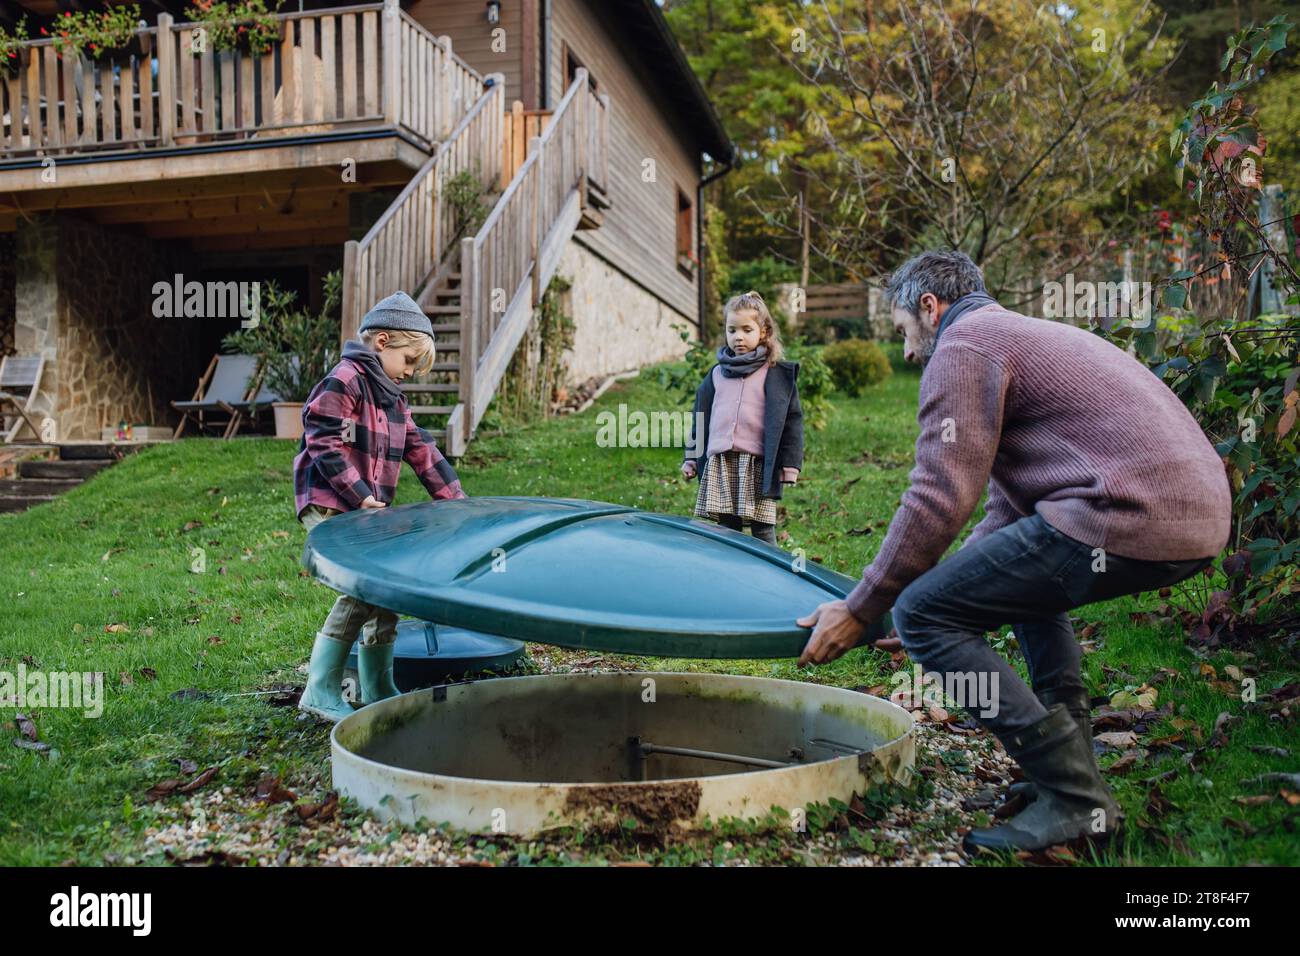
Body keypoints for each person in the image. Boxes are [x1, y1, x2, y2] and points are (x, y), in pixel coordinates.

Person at [795, 251, 1231, 852]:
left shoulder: (965, 347)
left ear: (930, 307)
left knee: (925, 615)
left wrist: (867, 606)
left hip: (1129, 513)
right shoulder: (1015, 334)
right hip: (1189, 514)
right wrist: (944, 588)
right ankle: (1069, 780)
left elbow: (938, 498)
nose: (907, 354)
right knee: (1010, 592)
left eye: (902, 333)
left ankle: (1076, 801)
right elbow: (1004, 515)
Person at [293, 290, 467, 722]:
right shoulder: (347, 377)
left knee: (386, 589)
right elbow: (322, 437)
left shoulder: (393, 397)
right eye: (409, 361)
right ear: (382, 343)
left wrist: (460, 505)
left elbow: (421, 449)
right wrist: (358, 495)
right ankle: (319, 689)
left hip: (365, 505)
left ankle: (375, 686)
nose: (410, 373)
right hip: (332, 500)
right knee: (363, 589)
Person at [681, 291, 804, 546]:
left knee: (762, 528)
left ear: (764, 331)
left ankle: (771, 573)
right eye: (732, 329)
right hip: (722, 461)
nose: (738, 336)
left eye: (747, 329)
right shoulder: (716, 375)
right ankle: (734, 575)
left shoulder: (774, 375)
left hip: (757, 464)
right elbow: (700, 419)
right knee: (729, 529)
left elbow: (792, 422)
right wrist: (691, 458)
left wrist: (790, 465)